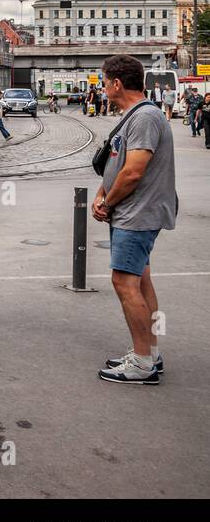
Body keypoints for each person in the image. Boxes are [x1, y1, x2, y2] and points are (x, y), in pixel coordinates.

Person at [92, 55, 177, 385]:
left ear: (116, 83)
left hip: (136, 214)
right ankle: (149, 352)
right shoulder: (135, 116)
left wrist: (108, 203)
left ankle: (142, 363)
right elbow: (117, 164)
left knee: (124, 283)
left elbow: (133, 171)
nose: (102, 88)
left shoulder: (144, 118)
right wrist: (102, 193)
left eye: (104, 82)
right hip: (132, 212)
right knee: (141, 281)